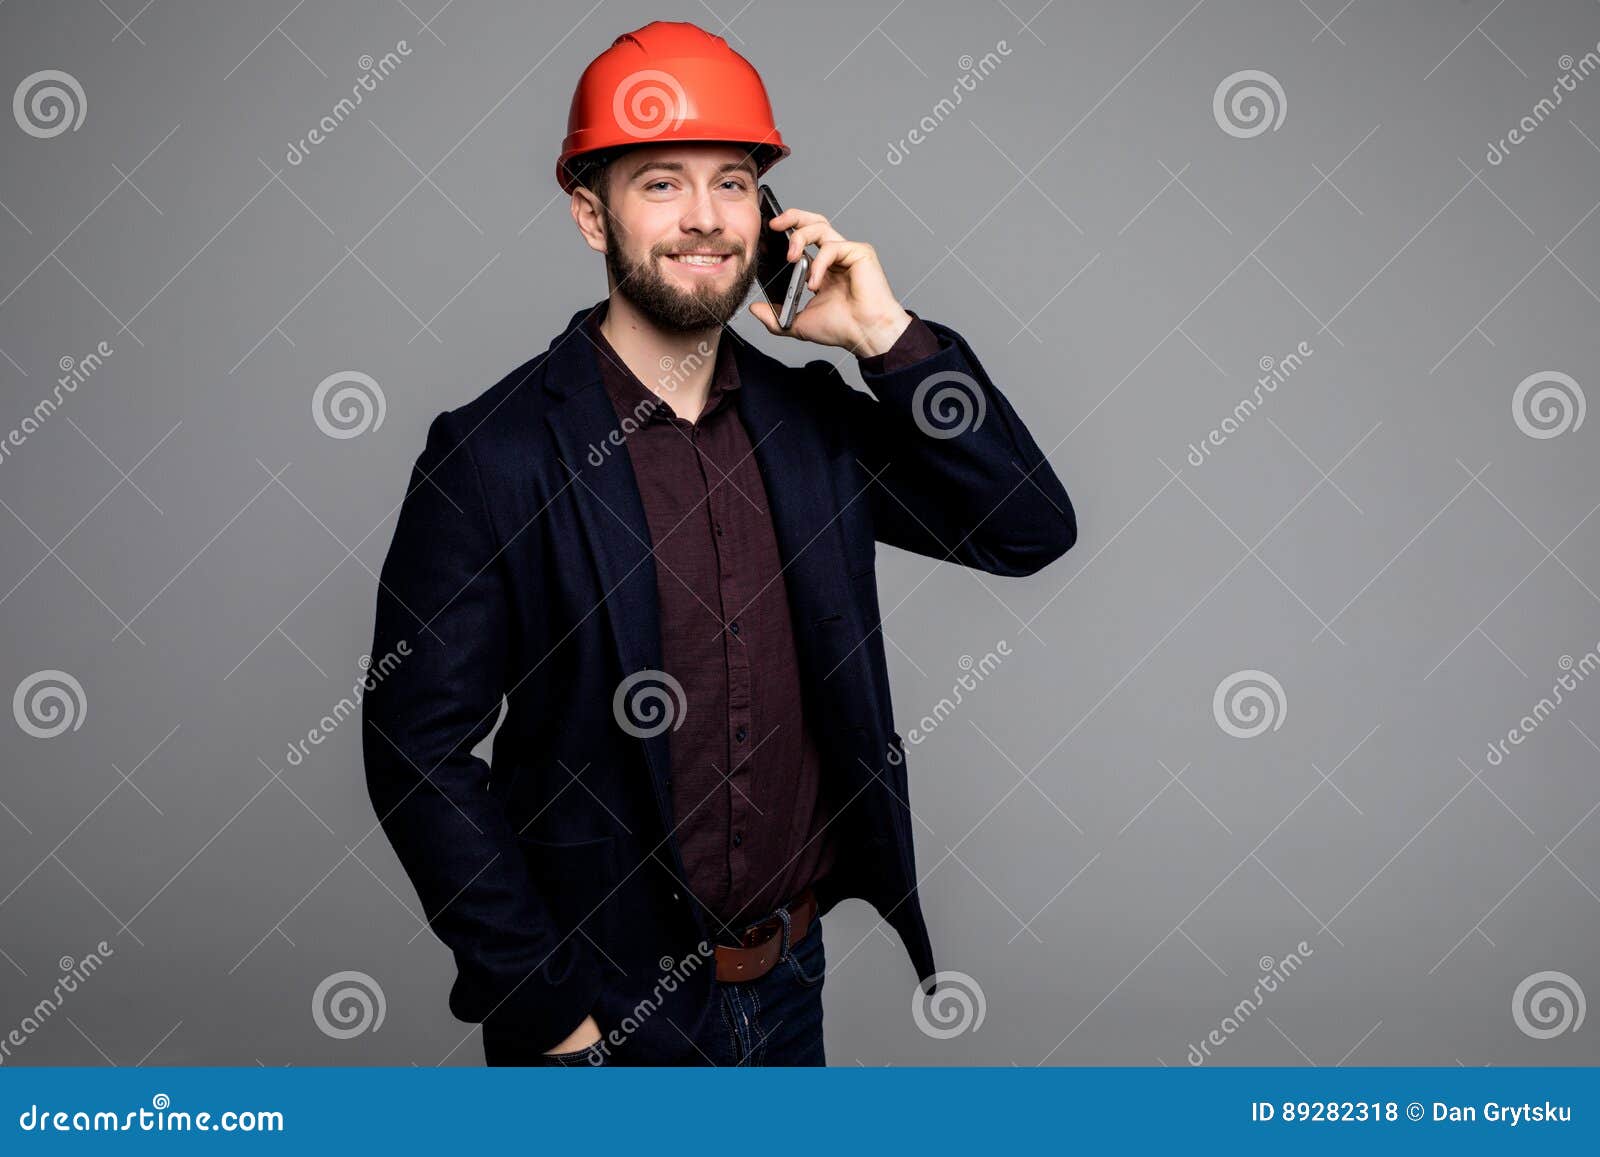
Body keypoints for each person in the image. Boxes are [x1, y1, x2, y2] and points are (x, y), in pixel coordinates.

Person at [361, 20, 1076, 1067]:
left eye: (733, 182)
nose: (704, 217)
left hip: (787, 986)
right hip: (598, 1010)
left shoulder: (810, 428)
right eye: (661, 183)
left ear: (768, 213)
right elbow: (414, 749)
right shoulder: (493, 454)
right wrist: (544, 1008)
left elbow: (1027, 525)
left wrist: (886, 339)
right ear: (590, 215)